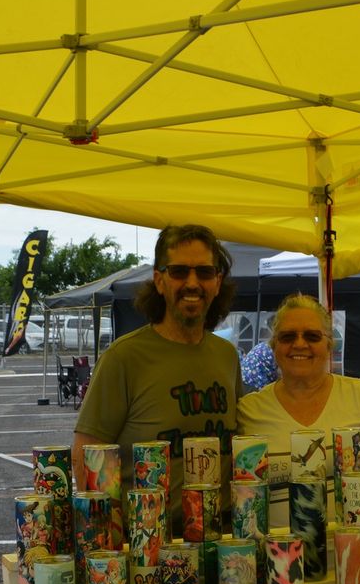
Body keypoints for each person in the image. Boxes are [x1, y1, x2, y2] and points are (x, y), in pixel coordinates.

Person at [73, 224, 241, 527]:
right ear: (159, 281)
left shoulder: (226, 355)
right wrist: (108, 539)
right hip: (148, 545)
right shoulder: (124, 357)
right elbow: (88, 456)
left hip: (220, 537)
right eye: (179, 271)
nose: (192, 283)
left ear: (217, 282)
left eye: (204, 272)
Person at [238, 293, 360, 502]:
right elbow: (243, 495)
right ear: (273, 346)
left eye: (312, 336)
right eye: (287, 336)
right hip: (276, 536)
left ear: (329, 344)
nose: (299, 344)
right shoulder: (248, 410)